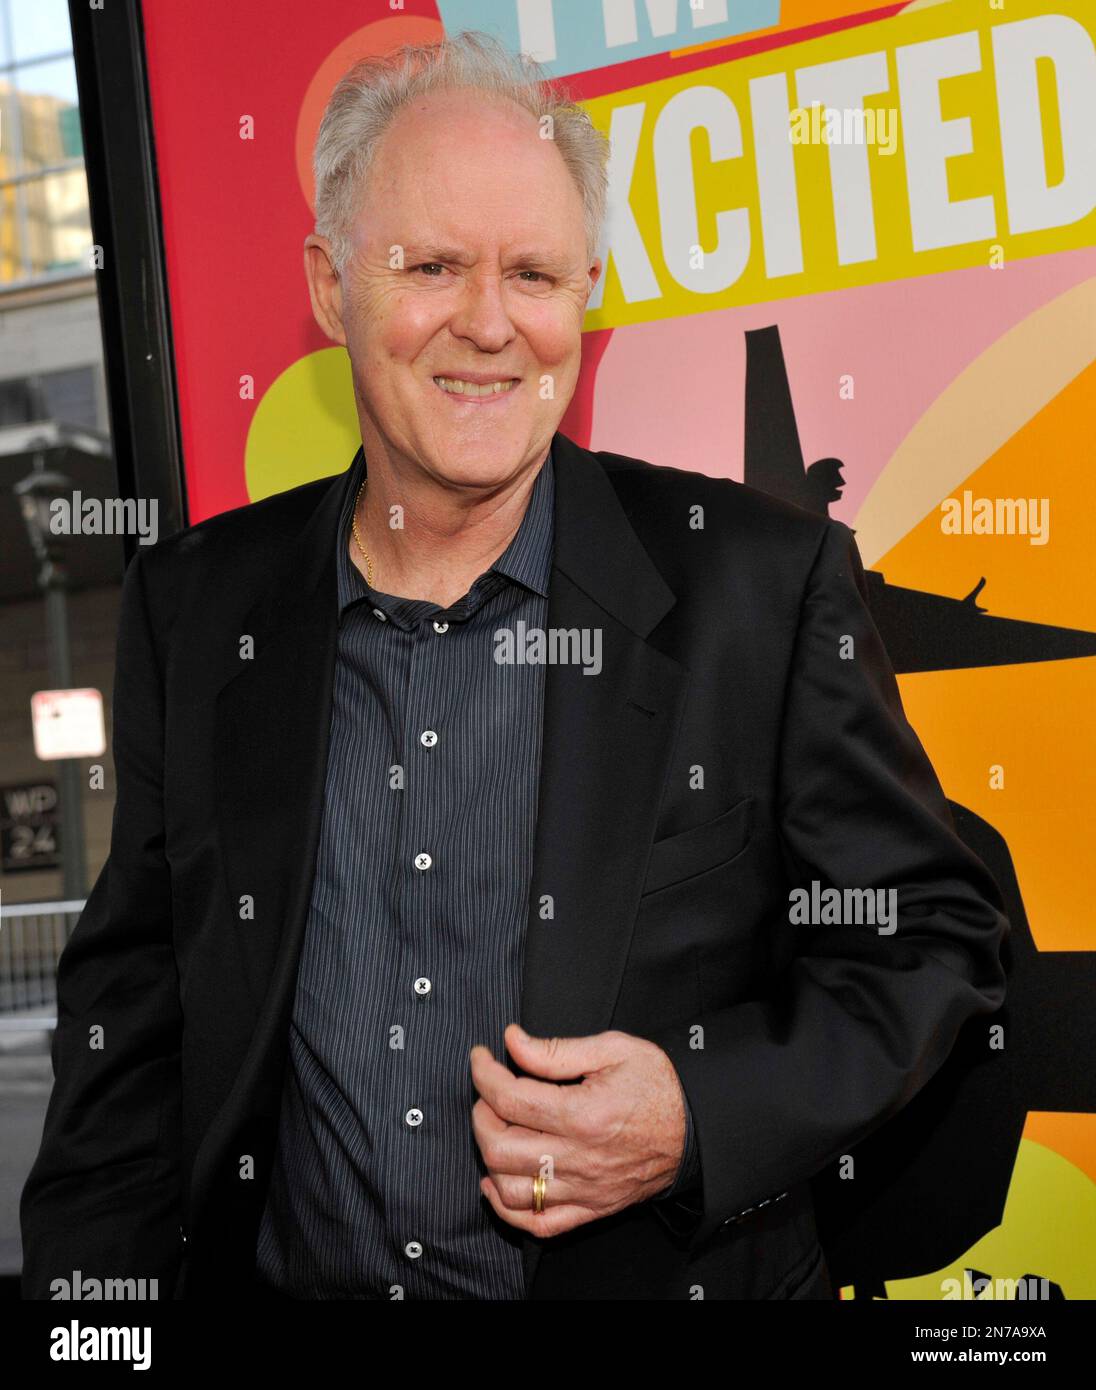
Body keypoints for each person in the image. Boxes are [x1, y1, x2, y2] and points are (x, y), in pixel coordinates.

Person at [21, 31, 1008, 1301]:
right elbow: (133, 1027)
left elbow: (928, 934)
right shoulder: (196, 609)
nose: (489, 326)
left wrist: (699, 1114)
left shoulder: (756, 587)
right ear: (331, 287)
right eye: (431, 265)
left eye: (534, 274)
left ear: (585, 296)